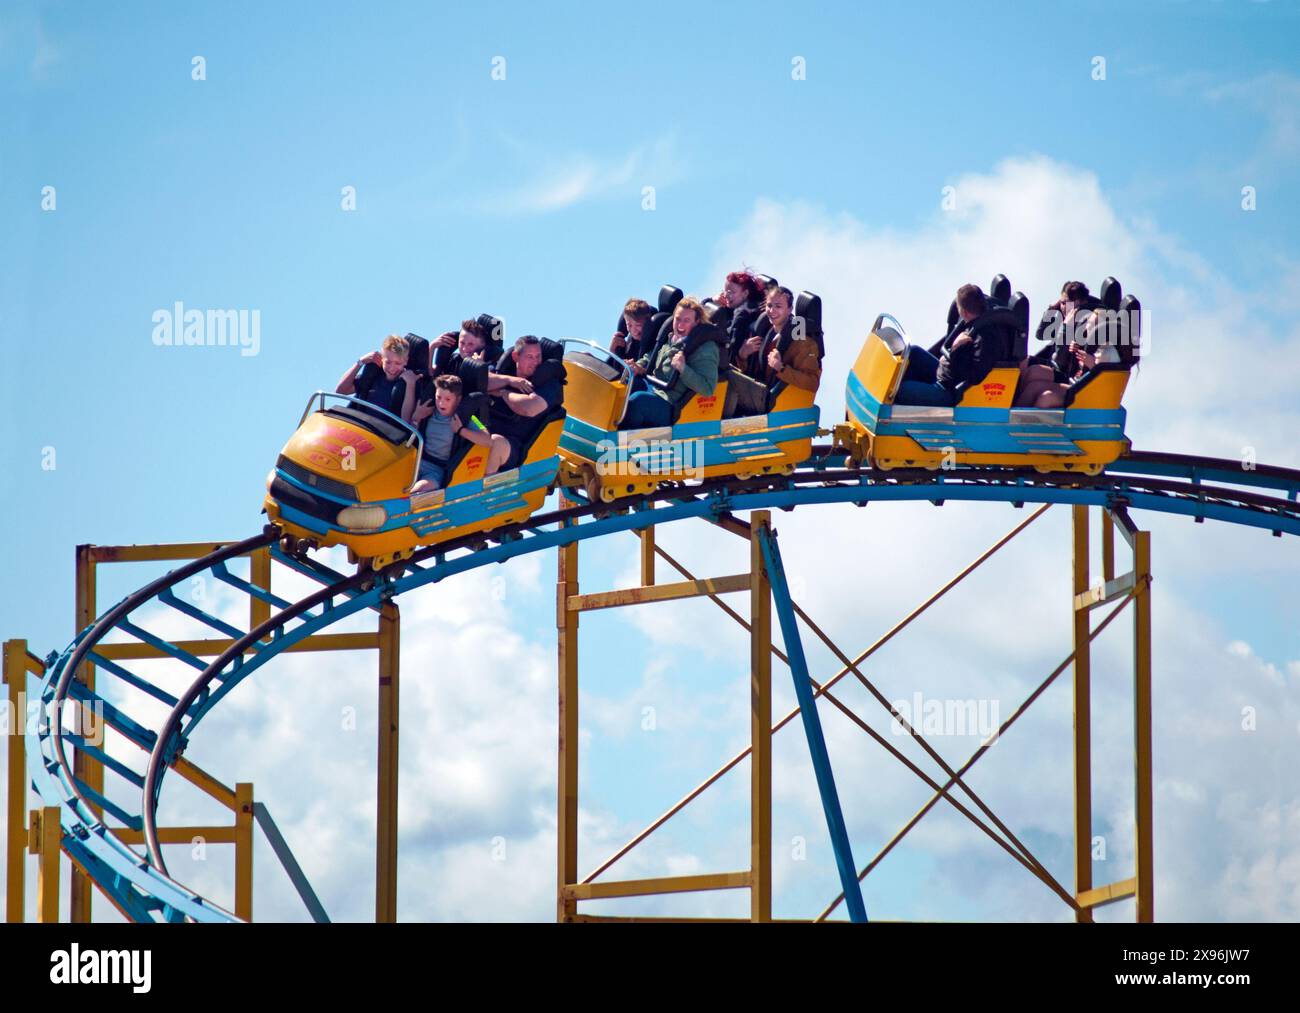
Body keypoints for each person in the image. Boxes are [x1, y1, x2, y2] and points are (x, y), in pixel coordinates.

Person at [894, 285, 1011, 407]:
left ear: (964, 312)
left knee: (899, 389)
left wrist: (955, 349)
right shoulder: (975, 319)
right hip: (945, 373)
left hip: (949, 390)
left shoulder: (985, 338)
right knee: (914, 353)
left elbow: (975, 376)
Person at [621, 297, 721, 429]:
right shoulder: (671, 336)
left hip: (672, 403)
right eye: (678, 319)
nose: (680, 325)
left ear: (696, 322)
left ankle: (620, 442)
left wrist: (683, 369)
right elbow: (651, 356)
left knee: (637, 402)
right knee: (623, 386)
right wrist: (638, 366)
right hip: (653, 388)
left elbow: (708, 389)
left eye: (686, 321)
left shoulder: (705, 348)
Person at [724, 286, 821, 417]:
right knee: (721, 368)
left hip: (771, 400)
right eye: (769, 305)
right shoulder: (766, 331)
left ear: (789, 309)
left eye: (778, 306)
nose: (772, 310)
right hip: (757, 388)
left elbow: (812, 383)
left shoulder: (803, 343)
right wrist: (742, 355)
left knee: (727, 377)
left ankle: (720, 426)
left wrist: (781, 368)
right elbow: (752, 370)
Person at [409, 375, 509, 492]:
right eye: (438, 397)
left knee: (418, 490)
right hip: (417, 462)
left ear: (458, 399)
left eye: (447, 399)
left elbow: (488, 440)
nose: (441, 403)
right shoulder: (427, 411)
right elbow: (410, 439)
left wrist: (461, 430)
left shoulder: (468, 418)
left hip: (436, 471)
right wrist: (416, 418)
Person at [1014, 309, 1121, 408]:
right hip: (1074, 384)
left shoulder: (1110, 353)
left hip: (1086, 393)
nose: (1088, 328)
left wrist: (1093, 367)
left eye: (1093, 325)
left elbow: (1107, 388)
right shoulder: (1089, 344)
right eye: (1088, 324)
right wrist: (1075, 351)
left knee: (1046, 397)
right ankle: (1011, 418)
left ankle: (1027, 426)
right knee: (1033, 386)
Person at [488, 335, 565, 469]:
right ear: (515, 357)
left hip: (516, 448)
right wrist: (510, 381)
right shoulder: (505, 372)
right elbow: (481, 381)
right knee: (463, 423)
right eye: (530, 357)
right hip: (483, 429)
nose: (535, 362)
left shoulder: (549, 384)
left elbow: (529, 408)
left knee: (496, 443)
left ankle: (485, 489)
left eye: (538, 356)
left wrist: (503, 392)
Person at [336, 334, 419, 421]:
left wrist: (410, 384)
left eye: (397, 363)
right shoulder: (373, 376)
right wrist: (360, 362)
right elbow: (341, 390)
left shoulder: (407, 384)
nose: (392, 368)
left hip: (384, 432)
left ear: (405, 361)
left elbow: (406, 421)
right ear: (382, 359)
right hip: (358, 426)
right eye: (388, 362)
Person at [714, 271, 768, 364]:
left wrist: (741, 354)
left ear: (745, 293)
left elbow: (730, 354)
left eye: (731, 292)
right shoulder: (730, 308)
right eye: (725, 291)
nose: (726, 295)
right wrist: (712, 300)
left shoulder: (743, 316)